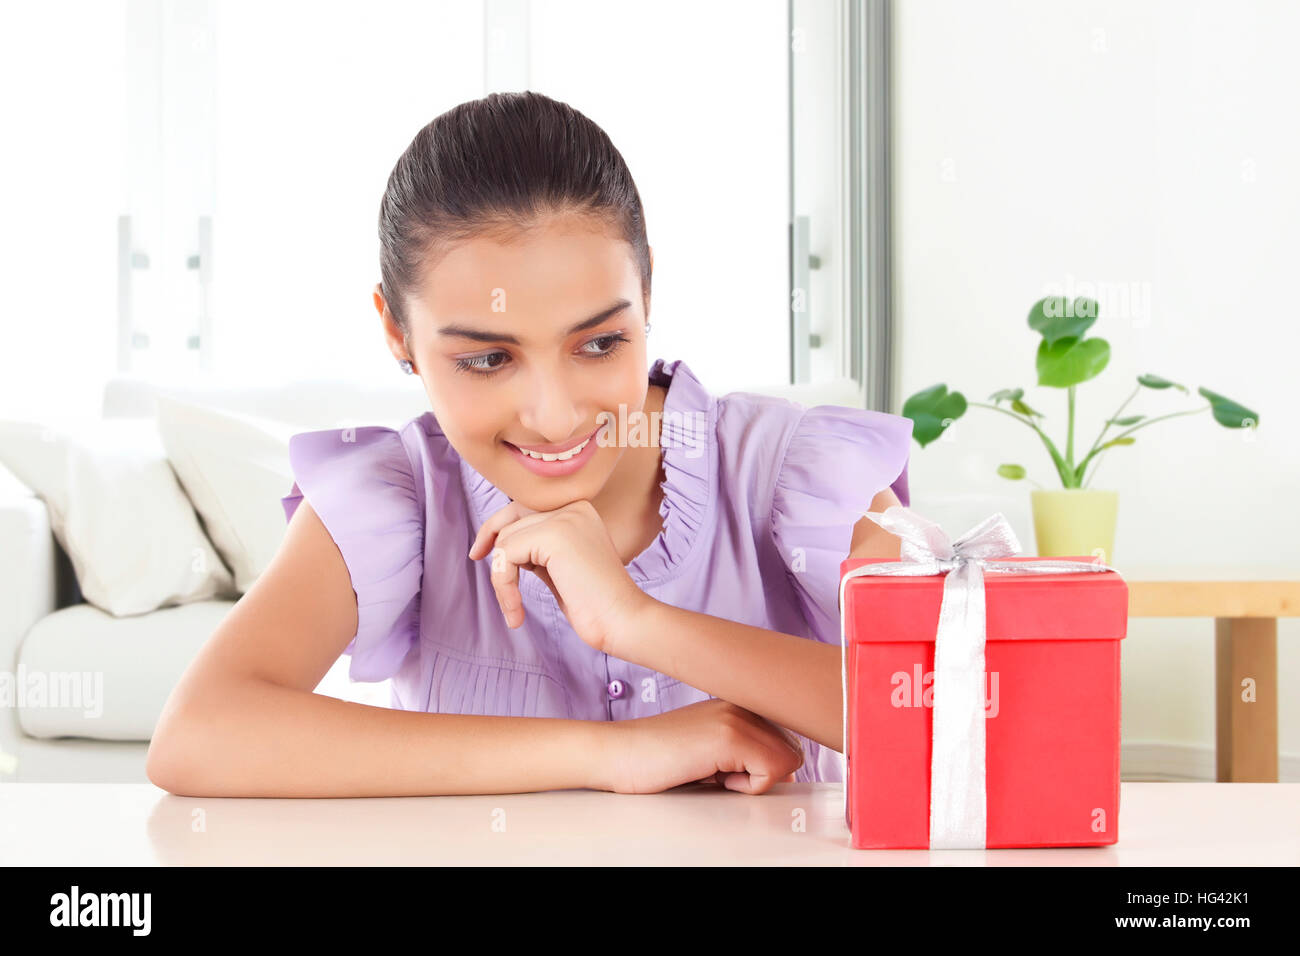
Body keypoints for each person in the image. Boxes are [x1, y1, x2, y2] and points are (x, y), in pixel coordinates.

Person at [146, 91, 911, 799]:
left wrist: (637, 621)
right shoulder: (398, 497)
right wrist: (607, 753)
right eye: (486, 359)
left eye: (601, 342)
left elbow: (973, 724)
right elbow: (199, 735)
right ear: (395, 331)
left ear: (647, 296)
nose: (552, 417)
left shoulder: (797, 477)